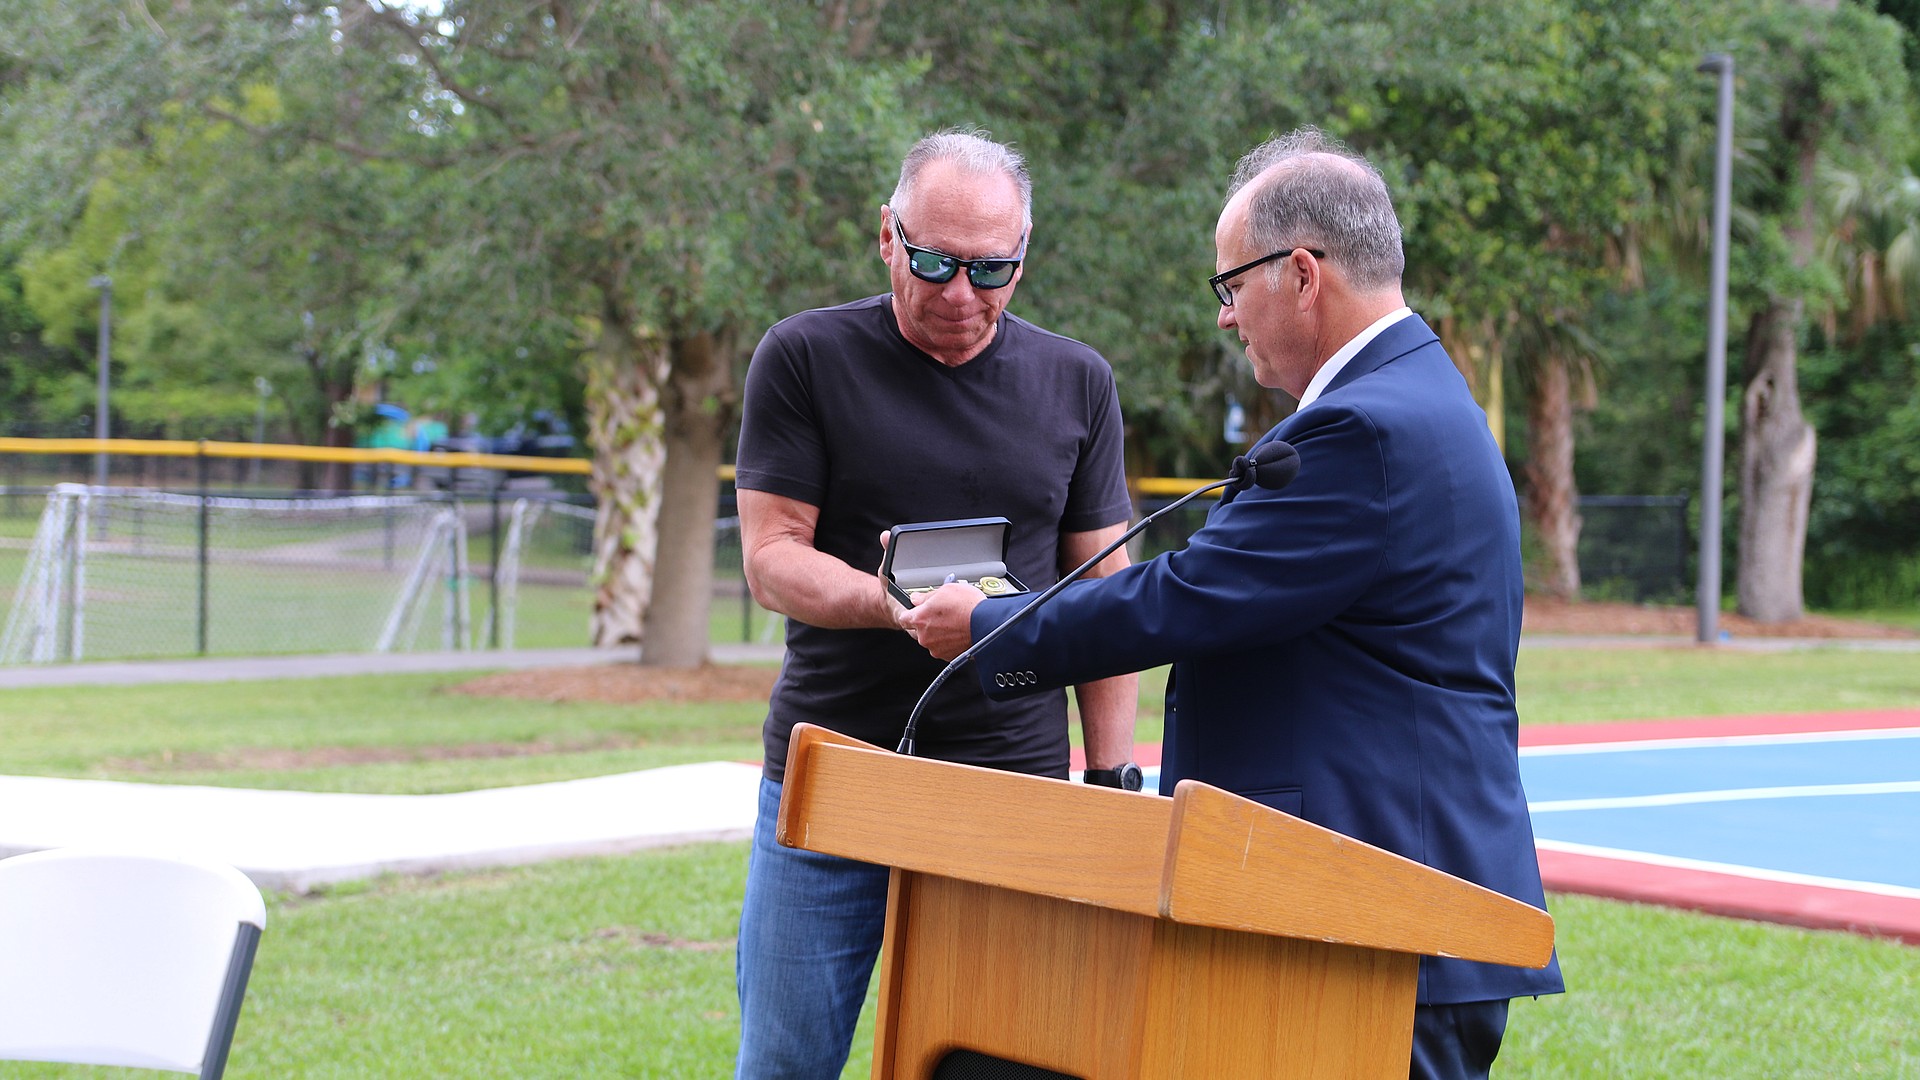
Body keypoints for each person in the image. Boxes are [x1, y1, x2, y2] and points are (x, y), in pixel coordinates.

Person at [900, 127, 1565, 1079]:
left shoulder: (1366, 431)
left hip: (1375, 917)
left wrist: (983, 625)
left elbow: (1189, 599)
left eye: (1231, 285)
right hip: (1370, 911)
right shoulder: (1416, 398)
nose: (1225, 316)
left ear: (1301, 274)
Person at [731, 129, 1139, 1079]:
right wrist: (891, 605)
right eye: (933, 261)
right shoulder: (804, 355)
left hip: (1011, 788)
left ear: (1025, 255)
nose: (961, 294)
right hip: (835, 777)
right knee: (787, 1062)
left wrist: (1113, 779)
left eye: (993, 270)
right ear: (887, 237)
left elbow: (1104, 597)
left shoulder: (1078, 380)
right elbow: (771, 556)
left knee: (1004, 1064)